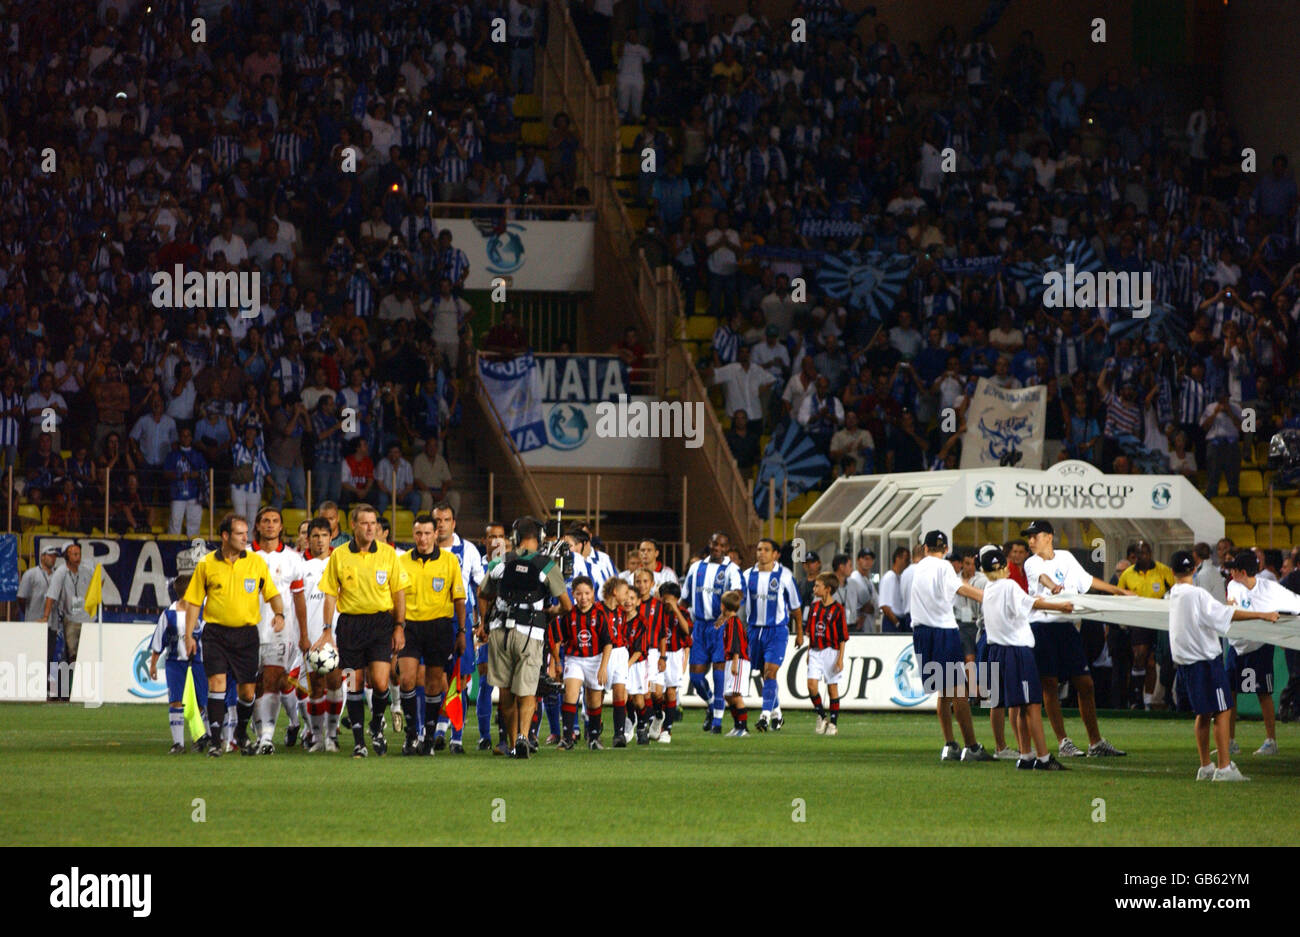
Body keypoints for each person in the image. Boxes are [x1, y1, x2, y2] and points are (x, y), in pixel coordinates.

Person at [1022, 520, 1130, 757]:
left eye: (1034, 536)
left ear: (1049, 537)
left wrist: (1119, 591)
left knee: (1085, 683)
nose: (1030, 541)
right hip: (1041, 627)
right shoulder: (1031, 562)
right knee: (1049, 685)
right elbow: (1042, 578)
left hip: (1067, 627)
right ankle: (1064, 742)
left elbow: (1088, 581)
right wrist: (1054, 588)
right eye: (1028, 537)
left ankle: (1095, 742)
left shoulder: (1067, 557)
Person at [1167, 550, 1278, 781]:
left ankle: (1206, 766)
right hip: (1205, 660)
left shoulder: (1174, 594)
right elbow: (1227, 615)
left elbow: (1212, 611)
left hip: (1186, 662)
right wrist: (1262, 615)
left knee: (1203, 713)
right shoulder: (1198, 594)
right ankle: (1224, 767)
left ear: (1172, 571)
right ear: (1194, 569)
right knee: (1223, 710)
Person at [184, 514, 286, 757]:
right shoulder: (206, 564)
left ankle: (240, 733)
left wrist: (279, 613)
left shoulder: (256, 563)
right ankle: (217, 741)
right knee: (216, 684)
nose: (245, 538)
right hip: (216, 634)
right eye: (240, 534)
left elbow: (272, 593)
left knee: (247, 692)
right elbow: (194, 602)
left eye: (246, 533)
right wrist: (189, 635)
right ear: (225, 536)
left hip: (246, 635)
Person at [318, 503, 410, 758]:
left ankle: (376, 724)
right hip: (350, 626)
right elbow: (329, 594)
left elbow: (398, 593)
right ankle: (359, 742)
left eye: (374, 524)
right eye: (365, 523)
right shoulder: (338, 555)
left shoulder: (388, 554)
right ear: (354, 526)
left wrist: (399, 626)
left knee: (381, 683)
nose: (371, 528)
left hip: (381, 624)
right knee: (354, 684)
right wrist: (327, 629)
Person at [478, 517, 571, 759]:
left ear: (515, 538)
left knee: (506, 691)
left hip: (499, 630)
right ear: (540, 538)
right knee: (527, 690)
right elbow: (567, 605)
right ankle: (523, 736)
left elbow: (483, 592)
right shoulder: (546, 564)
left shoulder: (500, 561)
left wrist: (483, 623)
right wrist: (551, 612)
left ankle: (510, 742)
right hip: (530, 631)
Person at [977, 545, 1074, 771]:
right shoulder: (1009, 585)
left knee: (1019, 706)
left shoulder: (989, 589)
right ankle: (1043, 757)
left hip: (998, 651)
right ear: (1003, 566)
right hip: (1017, 651)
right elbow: (1034, 604)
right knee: (1032, 705)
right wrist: (1061, 607)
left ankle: (1026, 754)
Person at [909, 530, 994, 762]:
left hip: (921, 632)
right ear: (945, 550)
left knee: (944, 692)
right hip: (943, 631)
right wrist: (991, 597)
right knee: (958, 691)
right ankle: (972, 747)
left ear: (925, 548)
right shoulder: (944, 567)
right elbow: (962, 589)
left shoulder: (917, 569)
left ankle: (950, 745)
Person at [396, 513, 466, 756]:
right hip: (410, 627)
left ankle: (428, 734)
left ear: (436, 534)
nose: (422, 538)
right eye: (418, 533)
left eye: (427, 533)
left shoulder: (449, 561)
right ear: (413, 534)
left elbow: (459, 599)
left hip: (439, 627)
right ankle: (411, 734)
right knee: (406, 679)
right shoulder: (402, 561)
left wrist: (462, 632)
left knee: (435, 683)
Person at [1224, 551, 1298, 756]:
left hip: (1258, 648)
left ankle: (1271, 740)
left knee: (1262, 692)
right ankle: (1229, 740)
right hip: (1236, 646)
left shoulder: (1270, 589)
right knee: (1231, 691)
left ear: (1243, 571)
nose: (1231, 572)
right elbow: (1231, 608)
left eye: (1234, 569)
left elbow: (1295, 603)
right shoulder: (1233, 586)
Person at [250, 507, 309, 754]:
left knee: (273, 681)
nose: (270, 525)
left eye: (275, 521)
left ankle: (266, 738)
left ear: (282, 527)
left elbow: (299, 599)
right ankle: (255, 731)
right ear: (258, 525)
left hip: (280, 633)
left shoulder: (293, 559)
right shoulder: (245, 556)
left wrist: (303, 634)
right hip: (249, 630)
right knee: (253, 687)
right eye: (266, 521)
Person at [430, 501, 484, 753]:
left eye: (445, 520)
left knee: (460, 677)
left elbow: (481, 587)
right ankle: (440, 725)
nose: (441, 524)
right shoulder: (424, 549)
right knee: (437, 676)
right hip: (431, 619)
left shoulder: (469, 550)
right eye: (437, 520)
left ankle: (456, 736)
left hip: (460, 620)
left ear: (453, 523)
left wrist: (482, 621)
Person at [682, 532, 742, 733]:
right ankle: (710, 704)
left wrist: (726, 615)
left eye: (722, 545)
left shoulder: (732, 570)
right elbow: (685, 598)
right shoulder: (696, 567)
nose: (717, 547)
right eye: (715, 543)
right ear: (709, 544)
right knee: (696, 677)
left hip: (720, 627)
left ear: (727, 548)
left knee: (718, 676)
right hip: (699, 626)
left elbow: (738, 594)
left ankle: (717, 722)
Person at [741, 538, 804, 732]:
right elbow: (739, 602)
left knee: (771, 672)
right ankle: (777, 712)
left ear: (775, 554)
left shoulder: (784, 576)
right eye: (759, 549)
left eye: (766, 550)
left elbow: (795, 607)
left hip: (777, 631)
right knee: (764, 673)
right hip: (754, 630)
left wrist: (800, 632)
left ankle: (764, 716)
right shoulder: (747, 575)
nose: (761, 553)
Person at [549, 575, 612, 751]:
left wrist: (603, 667)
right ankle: (567, 738)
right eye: (578, 594)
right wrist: (555, 662)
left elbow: (608, 643)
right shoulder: (568, 614)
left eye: (586, 593)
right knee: (570, 695)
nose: (583, 597)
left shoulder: (600, 614)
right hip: (574, 659)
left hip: (595, 660)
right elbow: (558, 639)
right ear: (573, 595)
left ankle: (593, 737)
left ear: (593, 593)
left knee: (593, 700)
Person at [148, 573, 209, 753]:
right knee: (176, 701)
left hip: (199, 663)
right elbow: (159, 640)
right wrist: (153, 664)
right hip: (176, 663)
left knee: (200, 702)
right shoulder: (169, 614)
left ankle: (199, 739)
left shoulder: (203, 612)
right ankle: (179, 743)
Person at [301, 517, 345, 752]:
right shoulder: (301, 566)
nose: (319, 541)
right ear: (308, 539)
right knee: (316, 687)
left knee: (335, 683)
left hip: (335, 635)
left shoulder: (339, 563)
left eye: (324, 536)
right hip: (311, 634)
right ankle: (317, 738)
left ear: (331, 538)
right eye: (315, 536)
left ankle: (332, 736)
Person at [1116, 540, 1174, 710]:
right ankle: (1137, 697)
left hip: (1160, 619)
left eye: (1147, 552)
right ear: (1135, 556)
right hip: (1139, 620)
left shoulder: (1163, 570)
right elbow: (1119, 595)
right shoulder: (1127, 574)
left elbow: (1176, 589)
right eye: (1140, 553)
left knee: (1158, 660)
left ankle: (1158, 698)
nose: (1144, 556)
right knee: (1140, 657)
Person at [42, 544, 95, 702]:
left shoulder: (87, 571)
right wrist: (45, 616)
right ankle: (64, 692)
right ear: (66, 556)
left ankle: (82, 691)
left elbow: (97, 588)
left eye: (78, 553)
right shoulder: (61, 572)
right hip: (70, 619)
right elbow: (52, 595)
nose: (77, 557)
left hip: (88, 619)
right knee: (70, 656)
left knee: (85, 656)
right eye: (73, 554)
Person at [649, 580, 692, 744]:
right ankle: (658, 716)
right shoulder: (656, 611)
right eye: (663, 599)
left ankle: (667, 729)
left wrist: (675, 608)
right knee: (654, 691)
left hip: (674, 655)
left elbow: (687, 631)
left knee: (671, 692)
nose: (665, 603)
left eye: (668, 600)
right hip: (656, 654)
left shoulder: (682, 612)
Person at [805, 572, 848, 736]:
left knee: (832, 688)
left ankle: (833, 724)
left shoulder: (838, 609)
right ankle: (822, 716)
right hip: (816, 650)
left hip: (832, 651)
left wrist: (840, 659)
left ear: (828, 589)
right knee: (811, 685)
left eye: (818, 586)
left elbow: (843, 637)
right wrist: (809, 651)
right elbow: (811, 631)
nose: (814, 588)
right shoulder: (814, 607)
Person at [599, 576, 632, 747]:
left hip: (620, 653)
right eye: (625, 592)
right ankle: (594, 730)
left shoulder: (621, 611)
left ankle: (619, 735)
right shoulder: (597, 609)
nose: (627, 597)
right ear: (614, 592)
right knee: (597, 695)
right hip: (603, 654)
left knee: (620, 693)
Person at [163, 426, 208, 536]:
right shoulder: (172, 455)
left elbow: (205, 472)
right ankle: (172, 550)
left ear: (191, 438)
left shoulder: (198, 455)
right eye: (183, 436)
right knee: (175, 524)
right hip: (177, 494)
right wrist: (179, 475)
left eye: (188, 436)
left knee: (194, 525)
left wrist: (192, 474)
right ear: (180, 438)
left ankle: (193, 551)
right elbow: (166, 473)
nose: (186, 438)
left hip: (195, 494)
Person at [718, 590, 750, 737]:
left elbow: (736, 644)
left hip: (738, 660)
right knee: (728, 695)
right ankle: (737, 726)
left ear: (724, 606)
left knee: (736, 695)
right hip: (731, 660)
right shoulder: (729, 622)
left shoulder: (734, 623)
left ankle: (743, 727)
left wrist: (735, 662)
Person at [19, 544, 59, 622]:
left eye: (54, 556)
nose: (53, 558)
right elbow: (21, 597)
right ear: (42, 557)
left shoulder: (58, 575)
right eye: (50, 556)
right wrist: (29, 611)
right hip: (34, 620)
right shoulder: (30, 574)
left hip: (53, 621)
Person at [878, 546, 911, 632]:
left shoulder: (900, 577)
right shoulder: (889, 577)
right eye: (906, 560)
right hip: (892, 621)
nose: (907, 563)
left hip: (900, 619)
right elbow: (884, 606)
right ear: (898, 558)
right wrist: (897, 623)